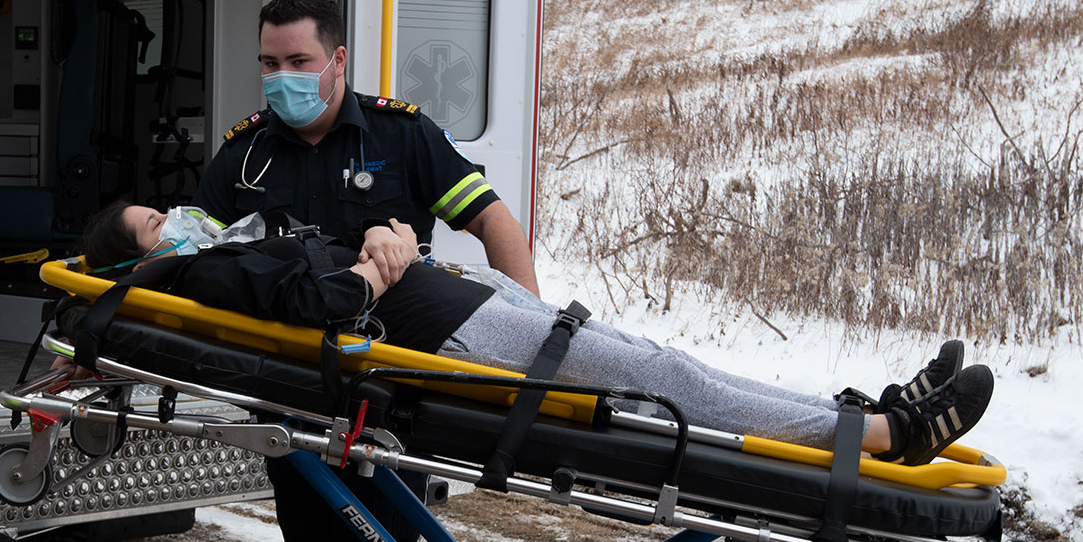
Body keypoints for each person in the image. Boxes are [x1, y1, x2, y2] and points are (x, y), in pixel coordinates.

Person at [189, 0, 541, 542]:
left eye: (299, 62)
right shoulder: (244, 156)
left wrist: (528, 333)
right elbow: (188, 254)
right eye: (269, 63)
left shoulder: (400, 135)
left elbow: (492, 219)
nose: (282, 78)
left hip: (387, 397)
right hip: (290, 390)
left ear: (338, 59)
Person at [82, 205, 994, 463]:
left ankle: (860, 414)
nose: (174, 215)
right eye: (154, 222)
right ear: (139, 258)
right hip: (449, 335)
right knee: (666, 386)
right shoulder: (195, 270)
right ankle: (889, 436)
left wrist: (386, 240)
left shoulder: (221, 250)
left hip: (458, 300)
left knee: (665, 363)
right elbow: (325, 304)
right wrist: (381, 264)